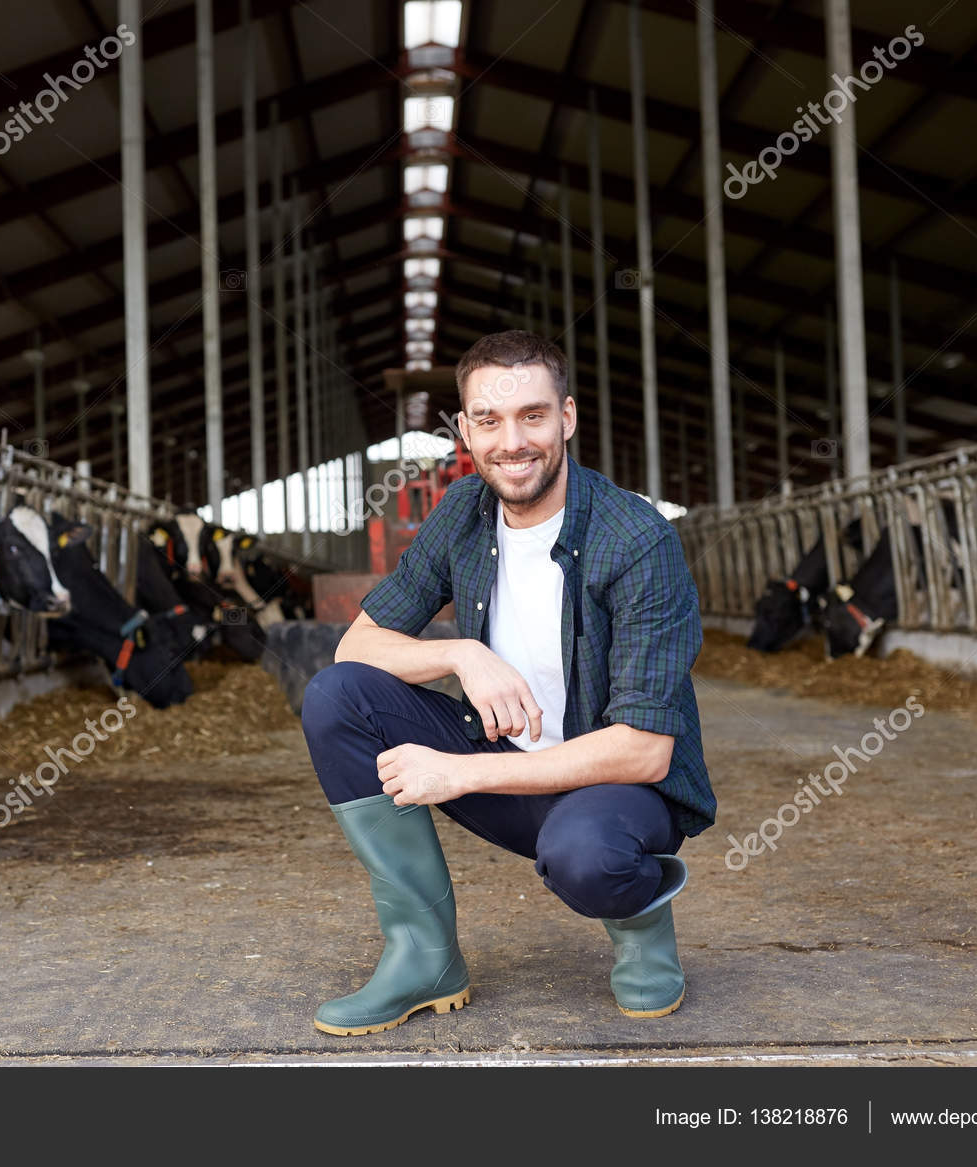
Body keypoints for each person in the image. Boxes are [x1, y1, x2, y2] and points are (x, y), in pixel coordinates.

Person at [300, 330, 715, 1036]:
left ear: (567, 419)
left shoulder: (636, 538)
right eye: (488, 420)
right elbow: (357, 646)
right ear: (465, 428)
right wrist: (460, 654)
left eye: (532, 415)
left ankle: (643, 923)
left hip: (619, 794)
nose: (511, 441)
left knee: (587, 856)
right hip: (509, 765)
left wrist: (456, 774)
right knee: (337, 697)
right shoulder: (463, 512)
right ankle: (423, 957)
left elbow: (646, 751)